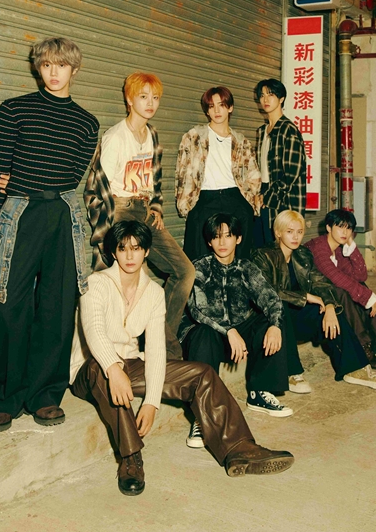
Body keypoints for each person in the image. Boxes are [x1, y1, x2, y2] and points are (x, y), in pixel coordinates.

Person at [70, 220, 294, 495]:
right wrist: (113, 369)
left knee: (202, 374)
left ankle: (240, 448)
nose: (130, 256)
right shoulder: (96, 284)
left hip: (130, 363)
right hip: (89, 369)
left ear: (147, 252)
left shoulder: (153, 293)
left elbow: (156, 349)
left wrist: (151, 402)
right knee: (104, 374)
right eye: (123, 248)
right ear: (113, 253)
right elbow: (95, 332)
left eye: (136, 248)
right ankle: (131, 459)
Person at [0, 37, 99, 433]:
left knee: (58, 307)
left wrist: (20, 180)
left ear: (74, 70)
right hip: (19, 215)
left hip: (63, 216)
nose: (53, 72)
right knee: (7, 305)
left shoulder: (87, 123)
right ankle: (6, 398)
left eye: (61, 65)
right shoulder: (13, 110)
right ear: (38, 68)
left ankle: (45, 395)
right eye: (46, 65)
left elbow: (70, 180)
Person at [84, 72, 195, 360]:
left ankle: (160, 342)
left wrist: (156, 206)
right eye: (143, 97)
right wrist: (108, 231)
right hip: (119, 210)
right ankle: (133, 353)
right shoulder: (115, 137)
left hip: (144, 211)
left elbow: (154, 179)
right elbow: (96, 189)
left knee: (185, 271)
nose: (150, 103)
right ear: (129, 99)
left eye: (155, 98)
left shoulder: (152, 135)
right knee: (130, 285)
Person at [179, 213, 293, 447]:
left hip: (239, 330)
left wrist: (274, 326)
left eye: (228, 236)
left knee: (272, 320)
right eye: (216, 237)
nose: (222, 242)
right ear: (209, 241)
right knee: (202, 333)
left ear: (238, 239)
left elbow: (271, 298)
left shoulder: (246, 268)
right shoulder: (199, 267)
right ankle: (202, 414)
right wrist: (229, 331)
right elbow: (198, 310)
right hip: (210, 334)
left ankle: (260, 391)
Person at [252, 210, 376, 393]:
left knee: (334, 312)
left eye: (299, 232)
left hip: (296, 319)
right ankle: (291, 373)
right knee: (282, 307)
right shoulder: (262, 255)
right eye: (289, 231)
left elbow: (321, 283)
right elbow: (268, 292)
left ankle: (355, 369)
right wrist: (308, 297)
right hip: (270, 320)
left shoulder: (302, 254)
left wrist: (330, 306)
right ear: (278, 232)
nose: (295, 237)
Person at [306, 209, 376, 371]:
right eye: (340, 227)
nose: (345, 232)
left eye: (348, 228)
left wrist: (351, 247)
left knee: (359, 287)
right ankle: (362, 345)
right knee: (344, 292)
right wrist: (368, 298)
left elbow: (360, 275)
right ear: (328, 227)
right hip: (310, 295)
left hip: (327, 291)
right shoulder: (319, 248)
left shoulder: (338, 249)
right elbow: (335, 277)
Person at [175, 86, 260, 261]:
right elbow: (182, 172)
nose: (217, 110)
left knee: (241, 252)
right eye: (211, 106)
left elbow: (253, 174)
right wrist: (185, 202)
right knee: (197, 252)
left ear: (230, 107)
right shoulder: (194, 136)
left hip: (234, 196)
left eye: (221, 105)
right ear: (207, 110)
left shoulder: (241, 141)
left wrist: (251, 201)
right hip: (205, 197)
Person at [254, 79, 307, 246]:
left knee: (281, 247)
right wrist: (258, 194)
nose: (265, 99)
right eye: (262, 95)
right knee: (264, 247)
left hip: (284, 197)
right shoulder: (262, 131)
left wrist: (268, 197)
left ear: (281, 98)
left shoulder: (288, 130)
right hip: (264, 193)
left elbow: (291, 173)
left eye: (271, 95)